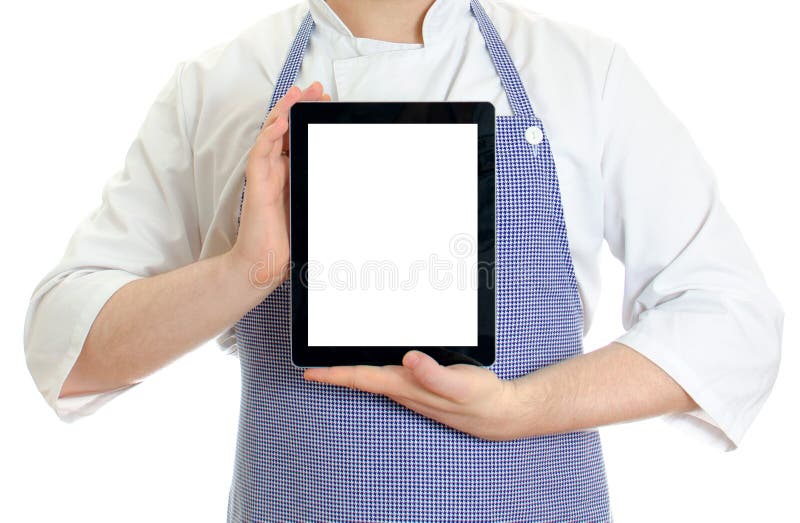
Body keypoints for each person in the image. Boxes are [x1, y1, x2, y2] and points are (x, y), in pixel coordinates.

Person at [23, 0, 783, 521]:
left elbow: (735, 323)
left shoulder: (583, 75)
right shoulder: (220, 88)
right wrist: (244, 269)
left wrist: (522, 407)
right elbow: (67, 345)